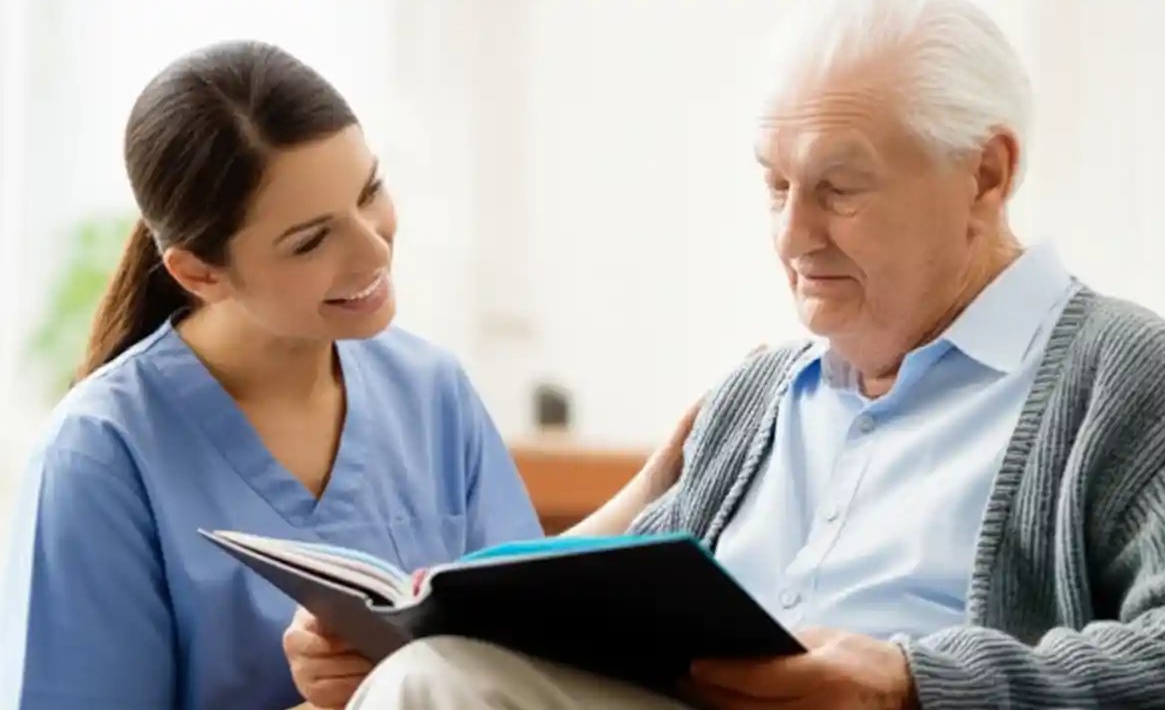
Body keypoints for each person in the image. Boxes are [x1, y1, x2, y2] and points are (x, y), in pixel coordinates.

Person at [310, 0, 1165, 708]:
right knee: (420, 680)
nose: (790, 235)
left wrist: (911, 683)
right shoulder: (759, 394)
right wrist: (395, 638)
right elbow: (597, 623)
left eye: (837, 189)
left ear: (984, 174)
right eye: (773, 186)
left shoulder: (1133, 380)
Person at [0, 40, 694, 710]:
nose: (372, 249)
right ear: (199, 271)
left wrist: (651, 492)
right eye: (310, 240)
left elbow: (518, 657)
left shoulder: (432, 394)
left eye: (370, 191)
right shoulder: (100, 454)